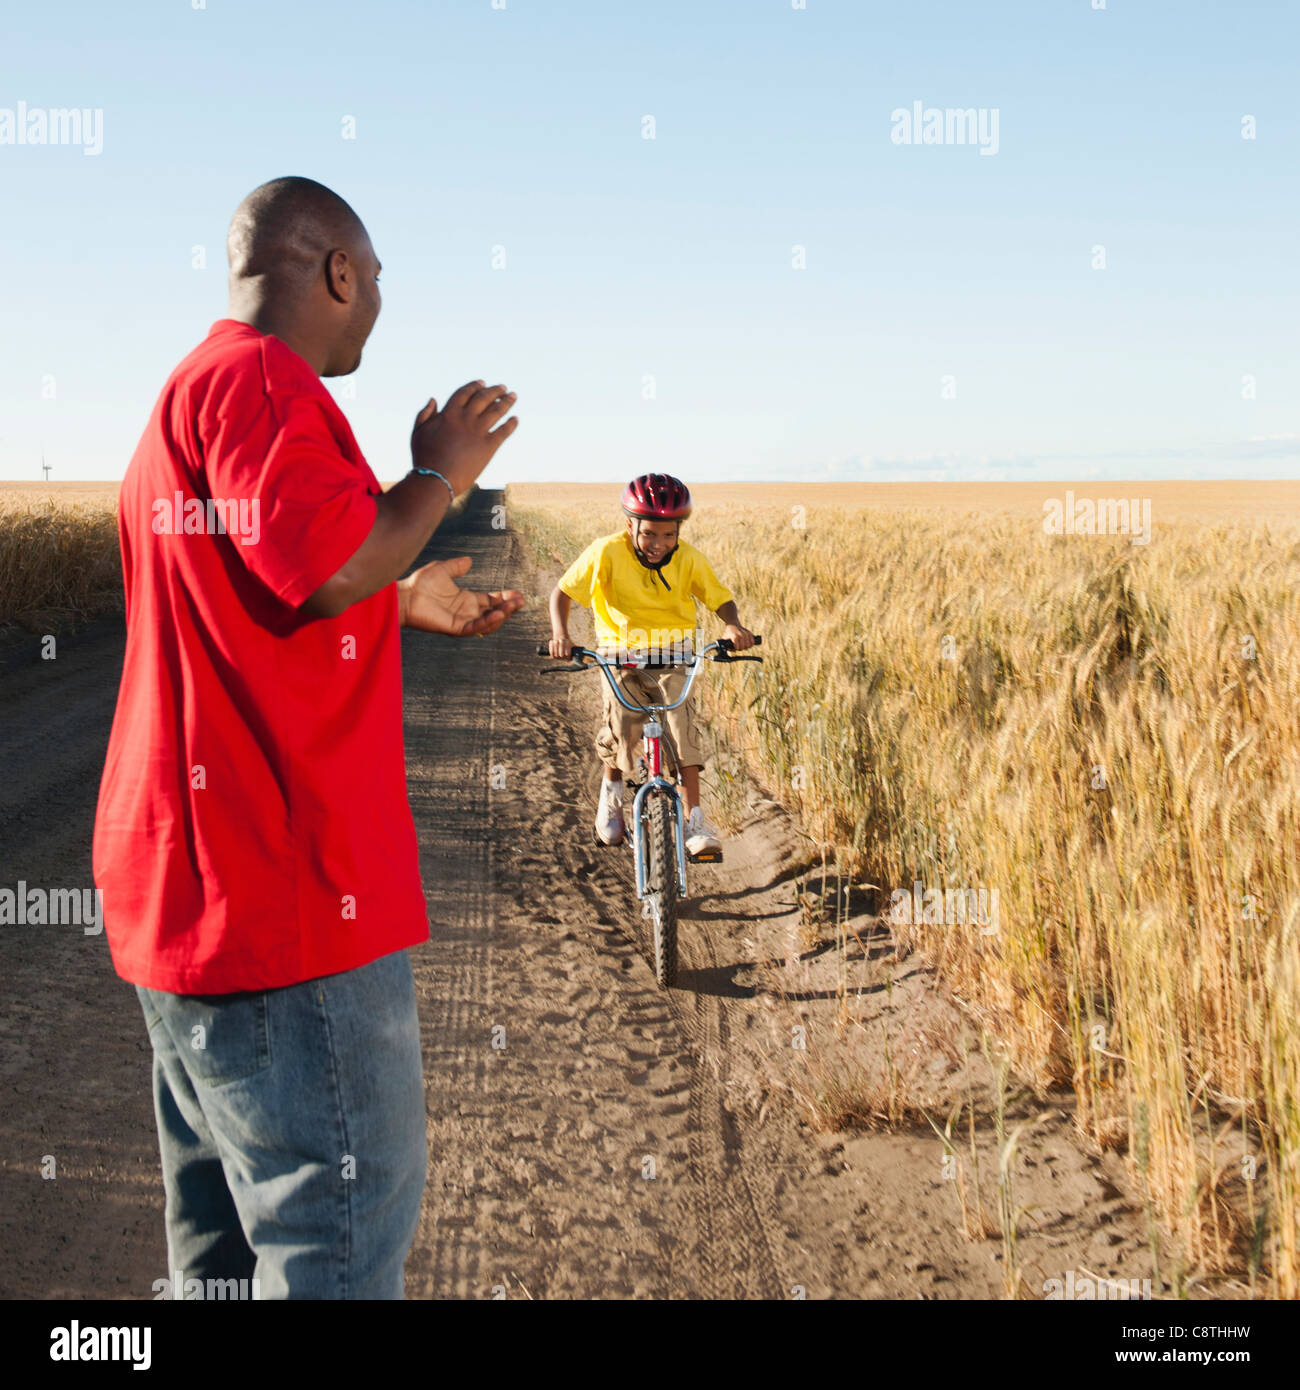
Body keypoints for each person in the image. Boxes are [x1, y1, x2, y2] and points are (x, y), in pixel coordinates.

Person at [91, 175, 524, 1300]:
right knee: (335, 1239)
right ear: (335, 269)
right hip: (287, 909)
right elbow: (330, 563)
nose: (377, 299)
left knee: (222, 1258)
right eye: (375, 277)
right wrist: (440, 471)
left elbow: (267, 591)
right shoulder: (264, 380)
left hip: (189, 907)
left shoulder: (186, 395)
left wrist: (400, 595)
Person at [546, 473, 755, 856]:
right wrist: (561, 635)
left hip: (674, 654)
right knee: (622, 724)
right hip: (619, 655)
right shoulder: (606, 552)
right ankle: (611, 800)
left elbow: (719, 598)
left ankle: (695, 819)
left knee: (682, 725)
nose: (659, 544)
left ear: (679, 531)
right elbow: (561, 592)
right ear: (630, 526)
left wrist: (732, 624)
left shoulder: (689, 558)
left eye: (668, 535)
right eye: (649, 534)